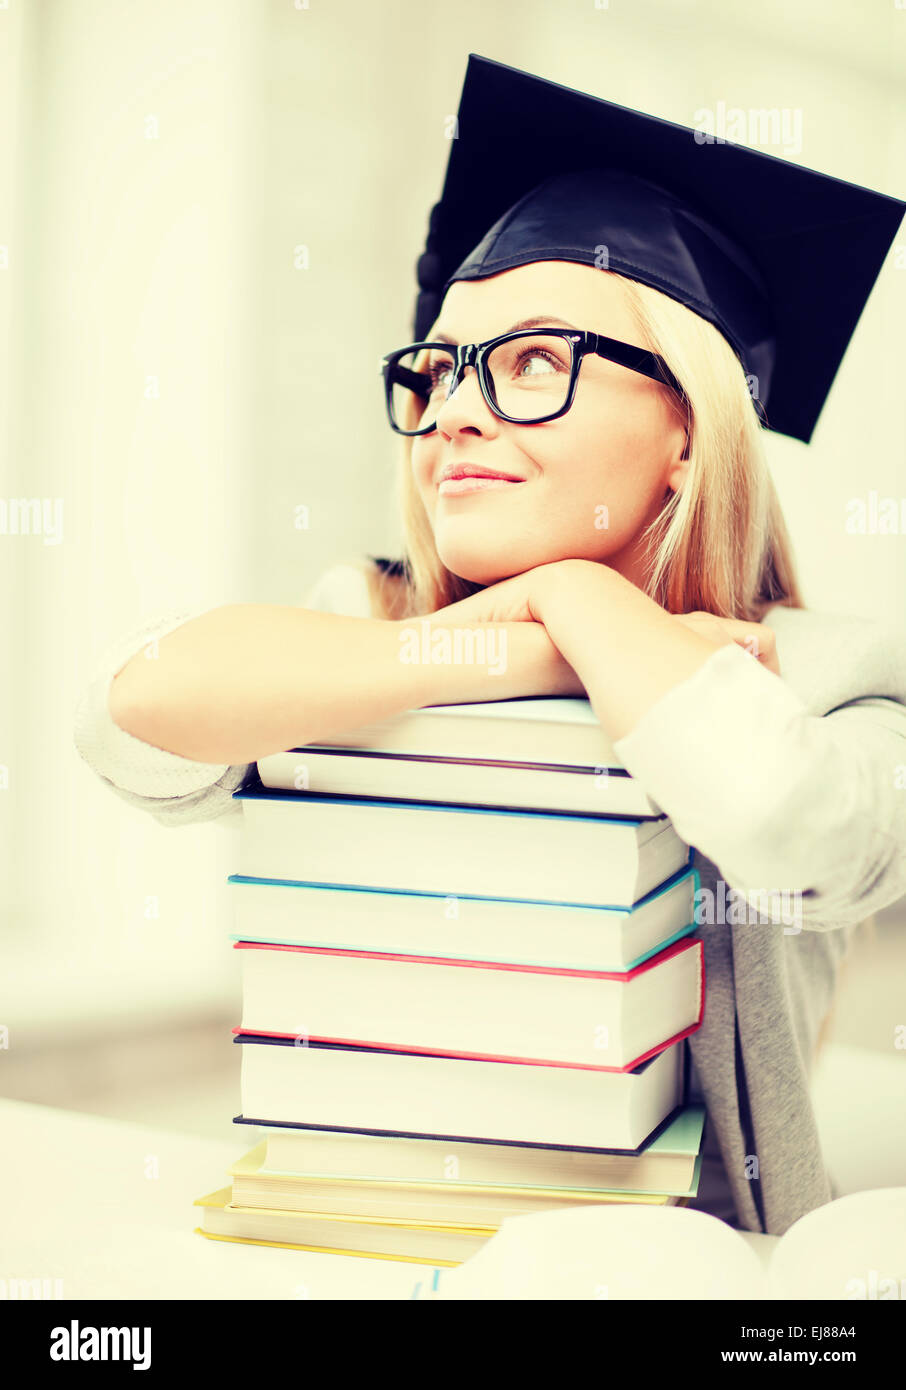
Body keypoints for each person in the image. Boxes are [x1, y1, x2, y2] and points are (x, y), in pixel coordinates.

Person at [73, 55, 906, 1237]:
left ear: (686, 424)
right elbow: (123, 718)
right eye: (439, 366)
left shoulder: (829, 677)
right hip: (358, 1234)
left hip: (671, 1260)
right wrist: (511, 646)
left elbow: (793, 825)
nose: (454, 409)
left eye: (530, 362)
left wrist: (578, 593)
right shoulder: (373, 620)